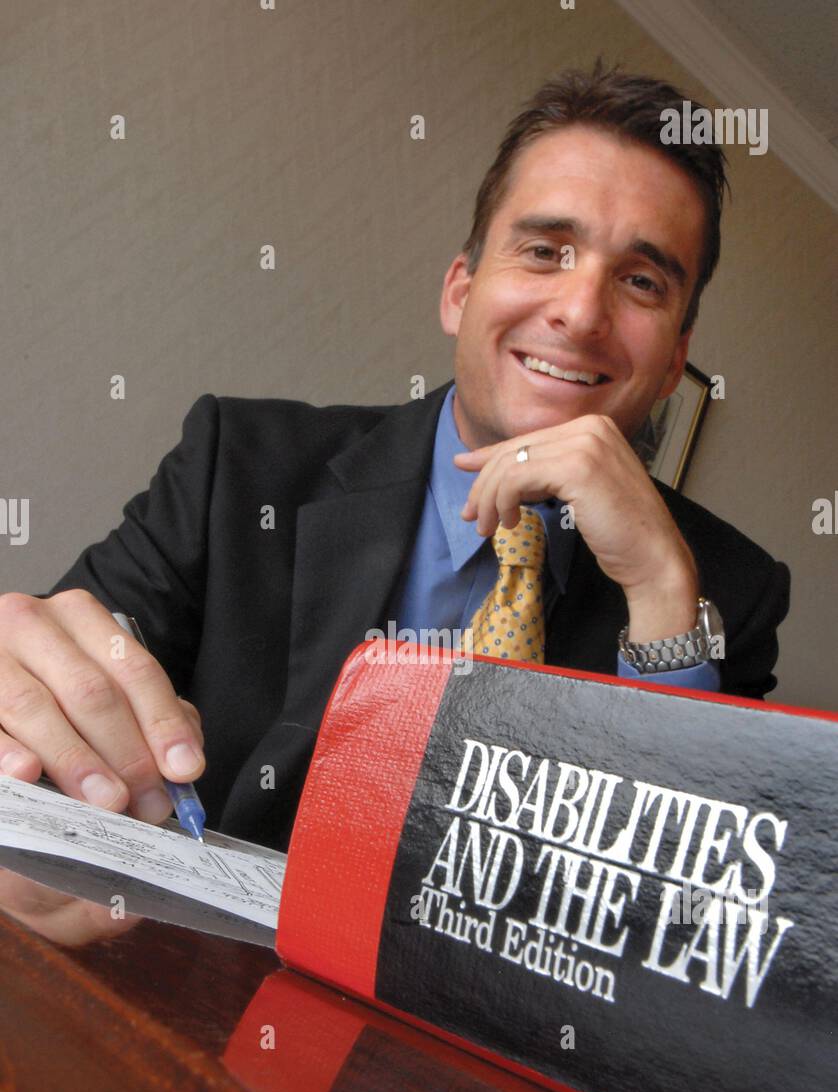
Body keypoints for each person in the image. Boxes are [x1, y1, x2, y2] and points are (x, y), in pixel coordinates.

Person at [0, 61, 789, 858]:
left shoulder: (729, 593)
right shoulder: (236, 467)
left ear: (674, 355)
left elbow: (696, 914)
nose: (582, 313)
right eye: (547, 251)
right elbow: (59, 702)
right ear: (460, 290)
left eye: (643, 281)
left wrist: (660, 592)